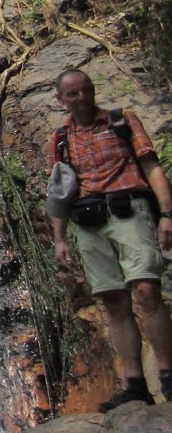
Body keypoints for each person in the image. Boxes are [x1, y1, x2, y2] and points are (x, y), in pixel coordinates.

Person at [48, 67, 172, 411]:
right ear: (60, 100)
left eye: (86, 90)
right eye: (72, 94)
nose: (81, 98)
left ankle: (169, 376)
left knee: (147, 291)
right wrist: (59, 239)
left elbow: (152, 168)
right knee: (114, 303)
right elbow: (59, 193)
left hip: (129, 211)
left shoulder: (122, 121)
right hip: (89, 222)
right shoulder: (59, 140)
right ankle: (134, 385)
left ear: (93, 89)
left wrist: (167, 214)